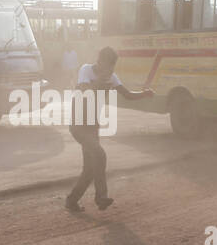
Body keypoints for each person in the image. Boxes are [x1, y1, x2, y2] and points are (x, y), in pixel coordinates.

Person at [65, 46, 153, 212]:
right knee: (100, 155)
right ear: (99, 62)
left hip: (92, 126)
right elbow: (85, 91)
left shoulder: (112, 77)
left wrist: (144, 94)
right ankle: (101, 197)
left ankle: (71, 201)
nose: (110, 69)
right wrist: (98, 82)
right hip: (78, 125)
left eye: (113, 66)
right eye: (108, 65)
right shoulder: (86, 70)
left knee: (90, 169)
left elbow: (127, 94)